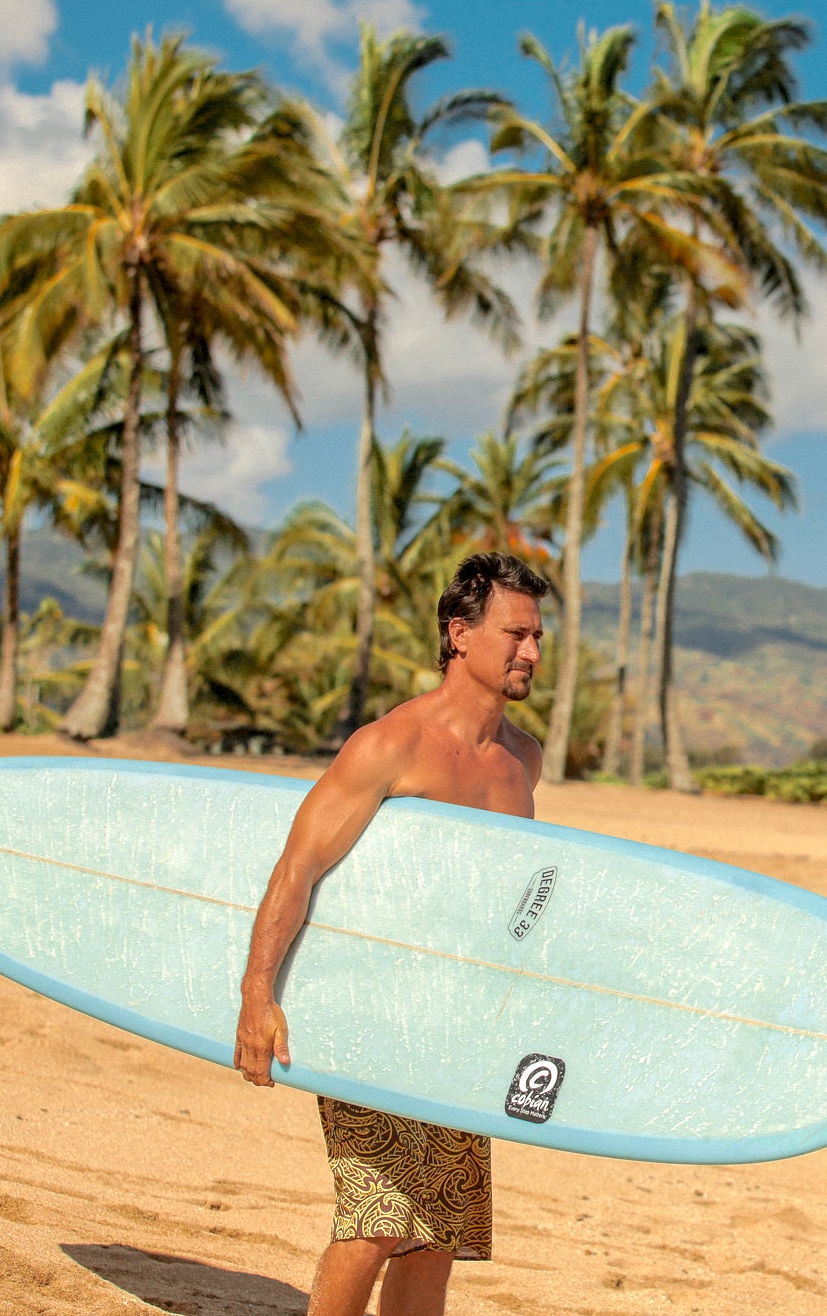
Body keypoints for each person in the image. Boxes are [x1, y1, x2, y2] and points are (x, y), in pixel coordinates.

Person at [233, 552, 551, 1316]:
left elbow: (505, 905)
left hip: (458, 1025)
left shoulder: (523, 762)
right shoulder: (391, 745)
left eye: (538, 636)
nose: (533, 653)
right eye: (516, 634)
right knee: (377, 1219)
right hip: (368, 1007)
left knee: (435, 1236)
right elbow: (299, 866)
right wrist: (257, 991)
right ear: (459, 634)